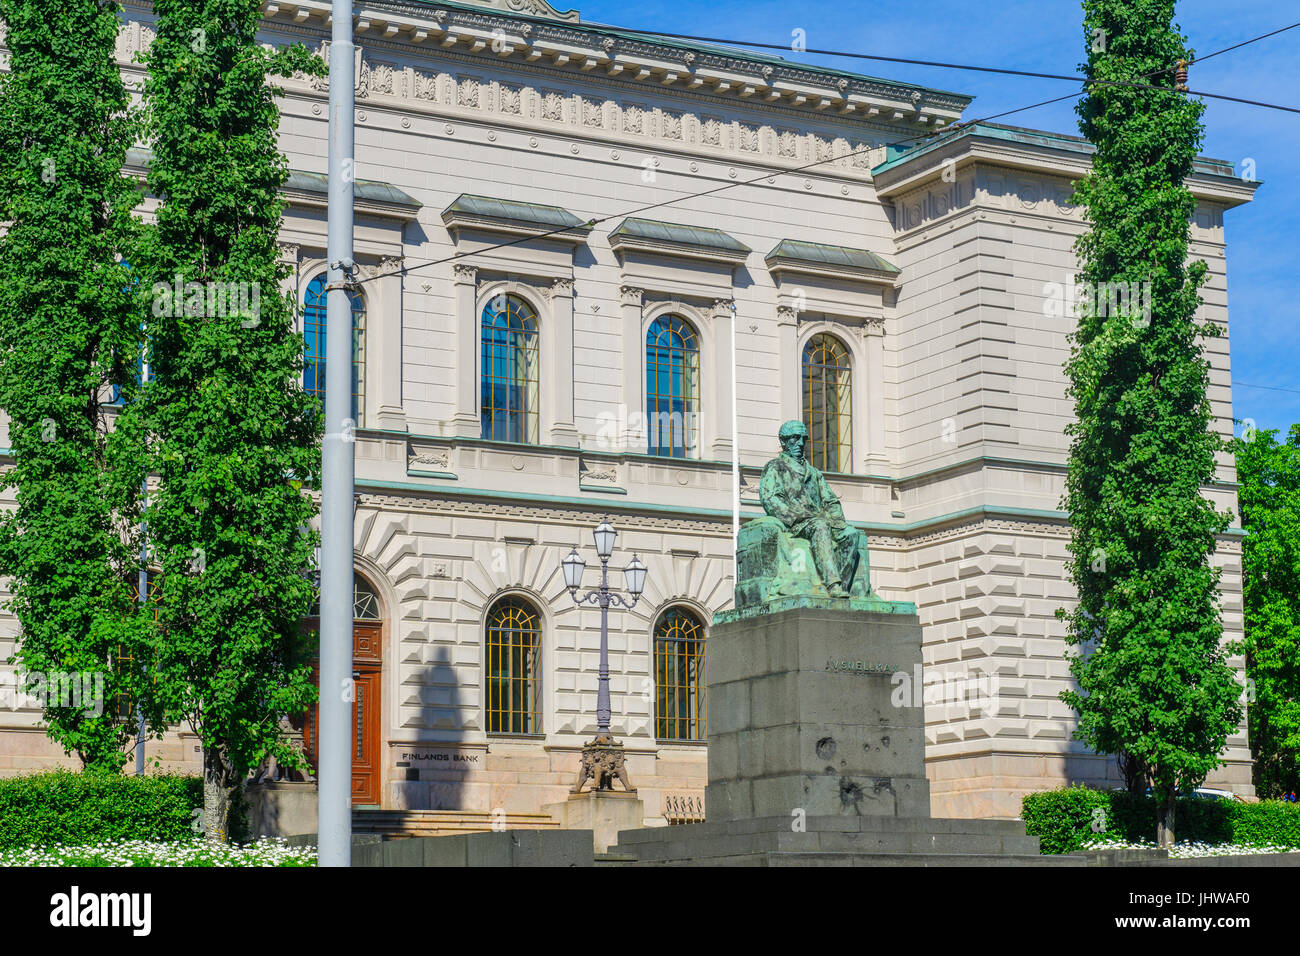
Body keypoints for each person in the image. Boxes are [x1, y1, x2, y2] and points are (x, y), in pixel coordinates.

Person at [758, 419, 863, 598]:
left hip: (820, 519)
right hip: (798, 522)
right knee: (820, 527)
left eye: (803, 439)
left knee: (851, 534)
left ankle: (843, 588)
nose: (799, 443)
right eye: (794, 438)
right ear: (783, 441)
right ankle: (833, 585)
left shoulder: (814, 472)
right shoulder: (775, 467)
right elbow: (770, 499)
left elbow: (831, 501)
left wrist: (837, 522)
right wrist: (794, 517)